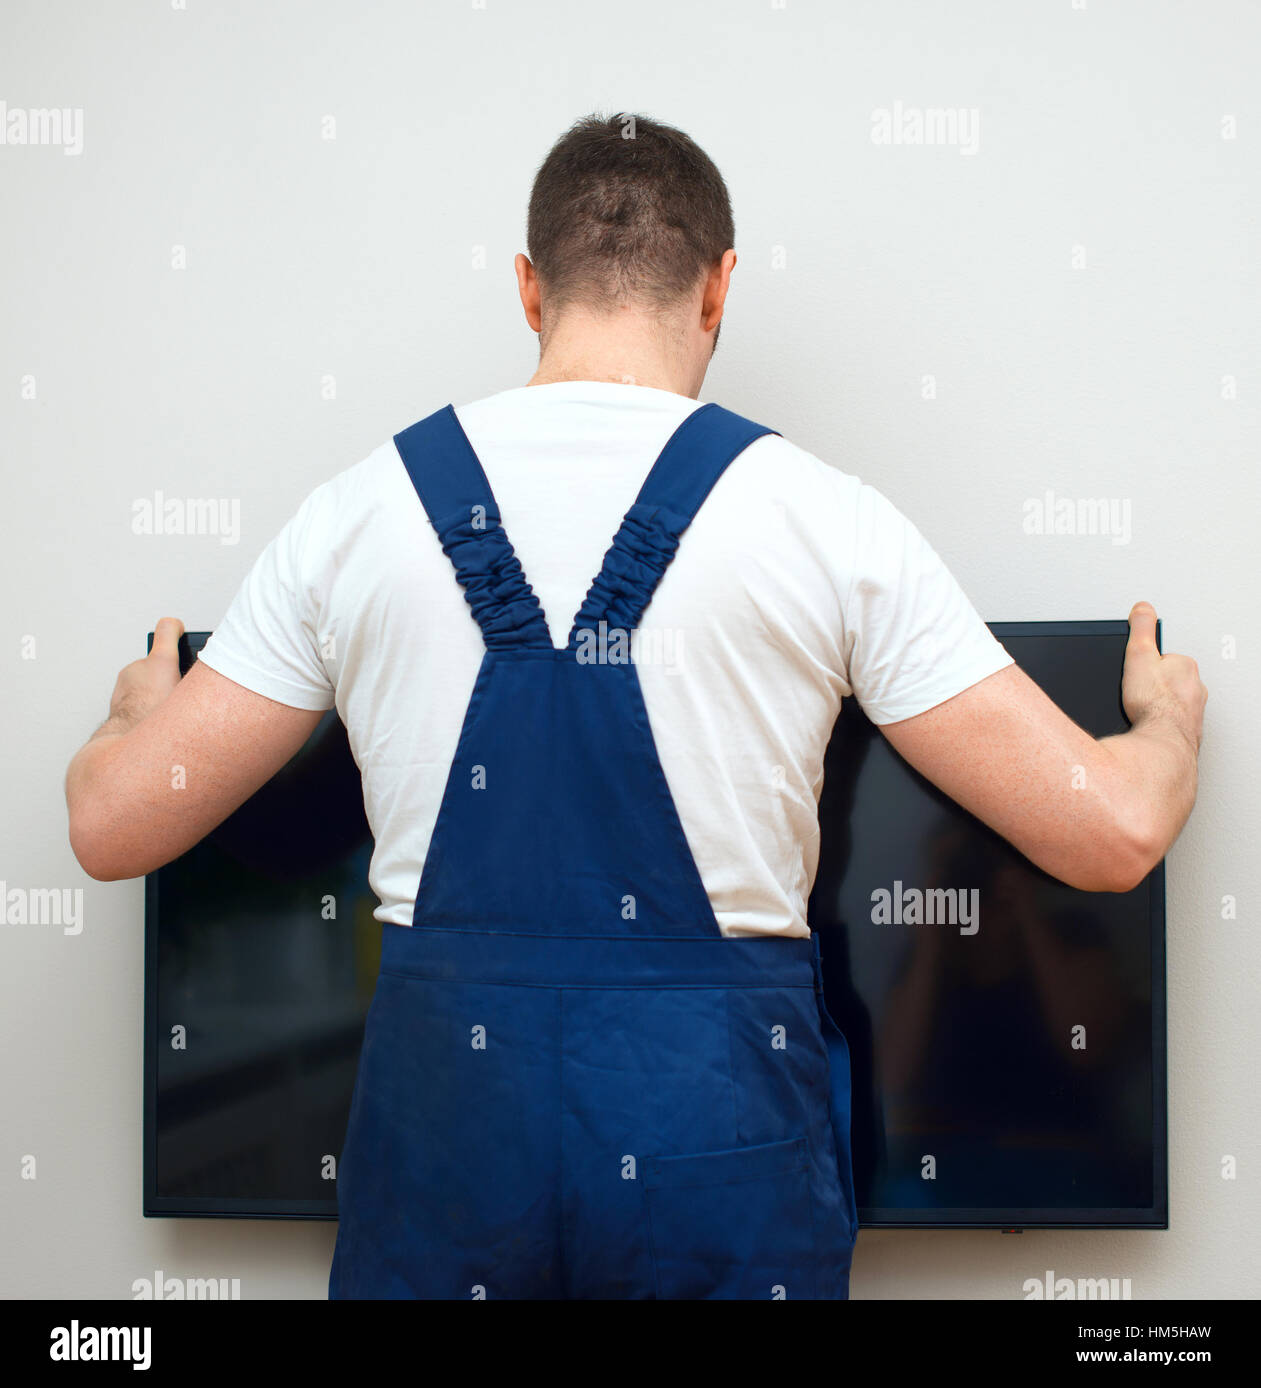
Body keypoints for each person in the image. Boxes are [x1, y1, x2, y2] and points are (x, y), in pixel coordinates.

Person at [64, 112, 1206, 1300]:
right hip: (719, 1149)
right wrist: (1166, 719)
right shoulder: (824, 523)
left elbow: (110, 825)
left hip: (448, 1153)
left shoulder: (356, 516)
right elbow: (1112, 831)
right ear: (717, 288)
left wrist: (139, 716)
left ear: (528, 286)